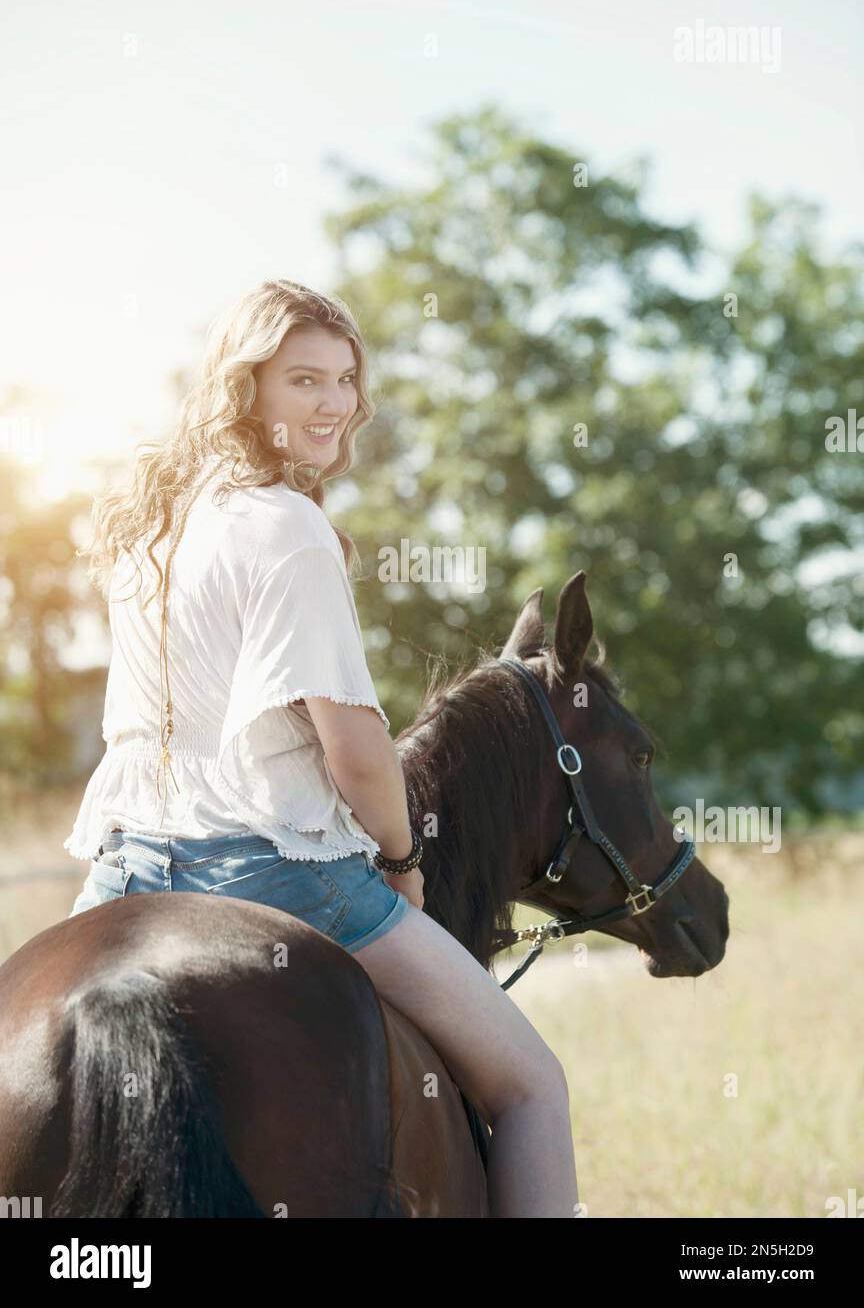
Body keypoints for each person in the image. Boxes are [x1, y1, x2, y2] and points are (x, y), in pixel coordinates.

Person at [65, 278, 578, 1218]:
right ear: (244, 387)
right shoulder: (289, 527)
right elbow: (358, 752)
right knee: (534, 1085)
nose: (335, 403)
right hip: (278, 876)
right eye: (304, 379)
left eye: (345, 380)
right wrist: (403, 859)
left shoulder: (147, 524)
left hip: (126, 874)